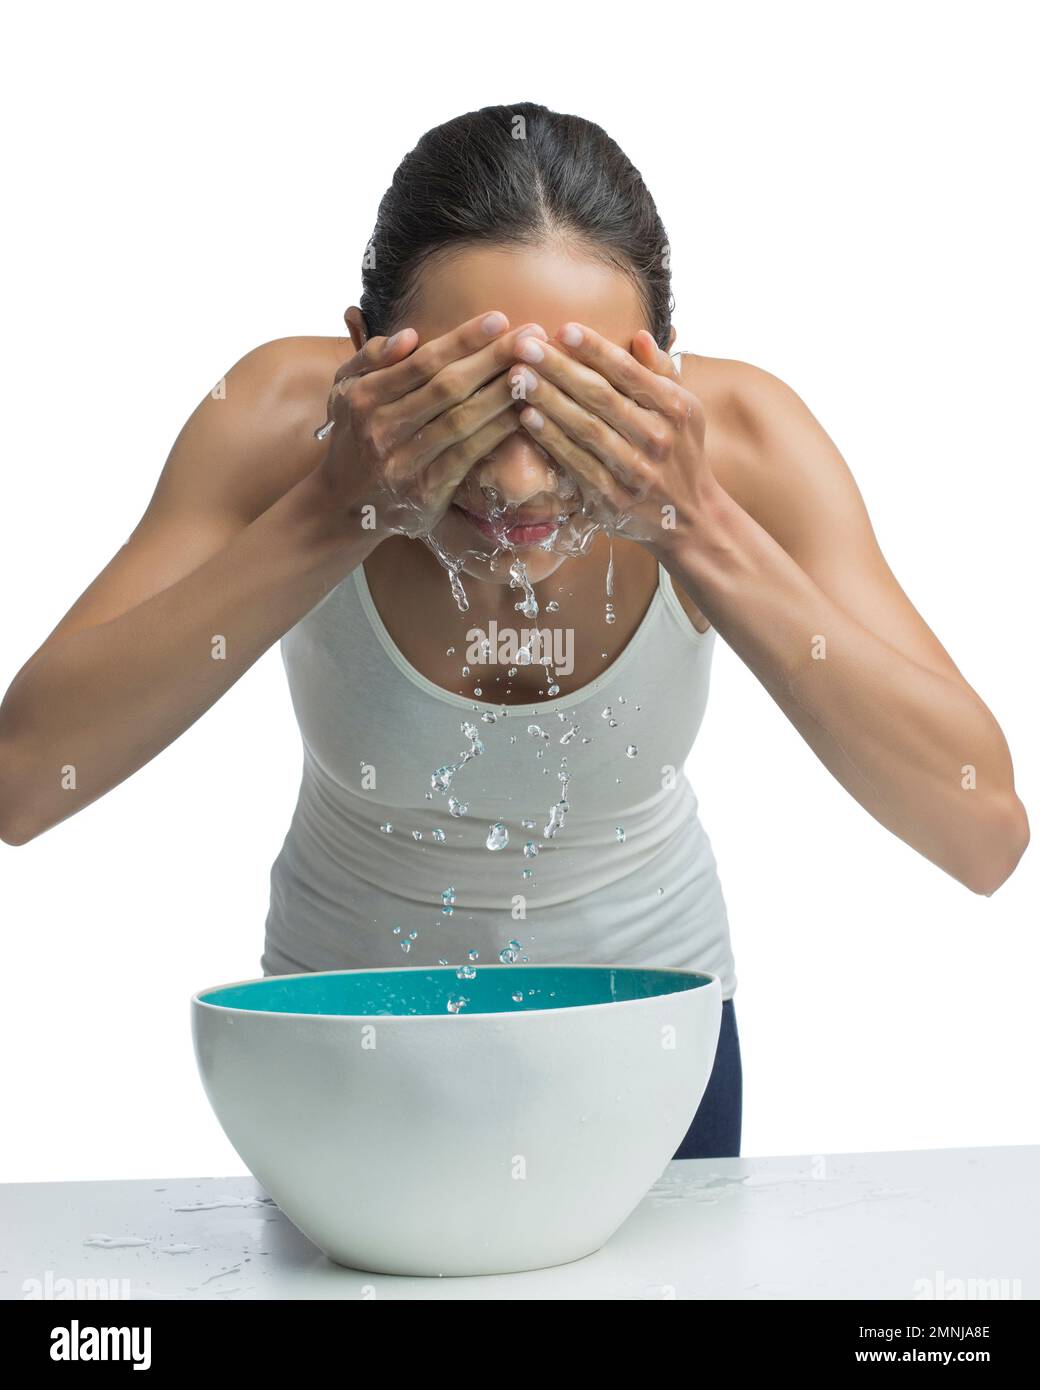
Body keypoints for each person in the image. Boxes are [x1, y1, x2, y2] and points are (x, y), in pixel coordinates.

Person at [0, 103, 1028, 1161]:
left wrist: (698, 522)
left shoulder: (744, 446)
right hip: (342, 1051)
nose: (517, 481)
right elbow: (27, 779)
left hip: (647, 1053)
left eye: (578, 408)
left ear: (661, 376)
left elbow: (981, 828)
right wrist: (331, 509)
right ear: (360, 361)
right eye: (464, 403)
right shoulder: (274, 425)